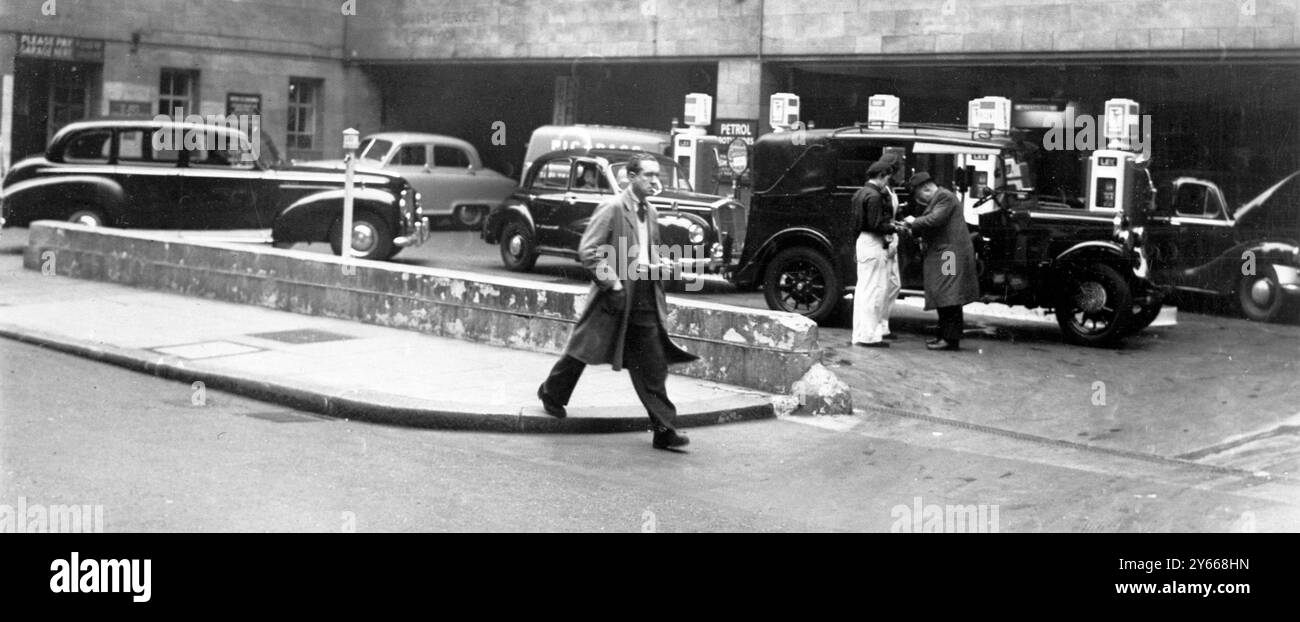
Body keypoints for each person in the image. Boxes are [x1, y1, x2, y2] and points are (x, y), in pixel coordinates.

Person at [537, 154, 699, 450]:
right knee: (584, 348)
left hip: (644, 294)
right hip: (614, 293)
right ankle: (551, 393)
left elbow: (648, 252)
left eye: (657, 176)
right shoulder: (612, 207)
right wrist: (612, 283)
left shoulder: (650, 211)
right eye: (648, 175)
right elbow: (588, 251)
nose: (655, 181)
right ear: (630, 177)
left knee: (652, 362)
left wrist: (665, 265)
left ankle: (665, 429)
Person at [902, 172, 979, 351]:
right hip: (945, 252)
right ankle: (944, 336)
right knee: (946, 294)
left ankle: (949, 339)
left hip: (949, 254)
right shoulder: (941, 197)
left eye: (918, 195)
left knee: (949, 295)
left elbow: (935, 219)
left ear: (926, 188)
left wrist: (914, 221)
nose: (919, 200)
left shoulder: (945, 197)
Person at [851, 159, 899, 347]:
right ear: (880, 176)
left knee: (863, 290)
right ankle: (869, 336)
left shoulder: (860, 193)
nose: (887, 182)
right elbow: (876, 224)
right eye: (887, 178)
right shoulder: (875, 196)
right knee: (874, 290)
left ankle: (860, 333)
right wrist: (894, 227)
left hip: (862, 242)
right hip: (873, 243)